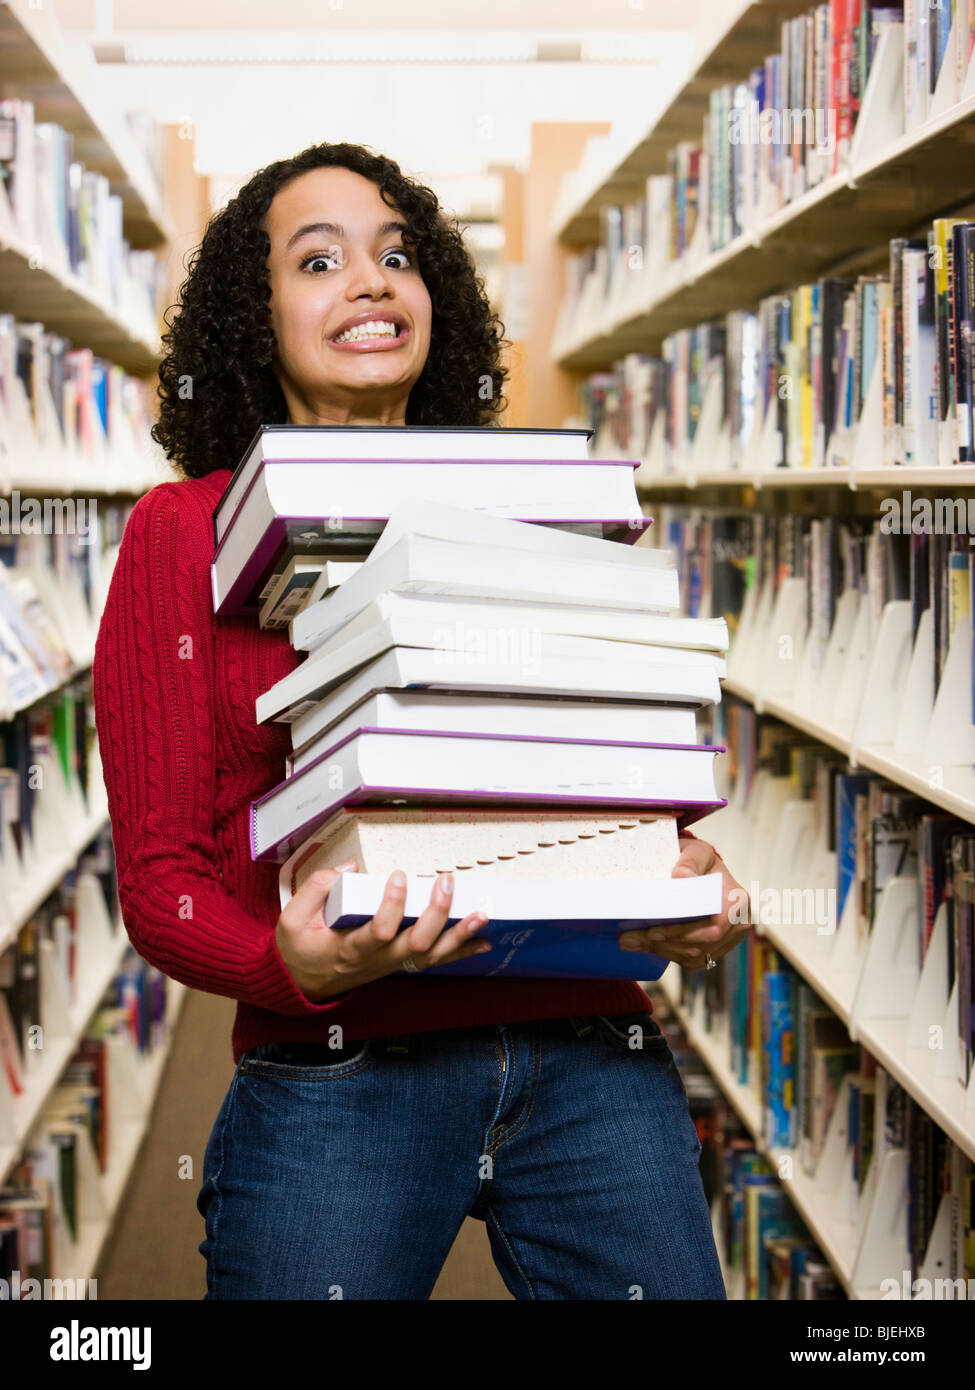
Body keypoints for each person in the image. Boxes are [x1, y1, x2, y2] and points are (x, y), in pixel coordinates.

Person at [92, 141, 751, 1301]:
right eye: (320, 258)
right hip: (341, 1059)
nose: (373, 281)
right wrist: (280, 963)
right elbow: (158, 876)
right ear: (258, 314)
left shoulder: (539, 510)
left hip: (589, 1042)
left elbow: (609, 765)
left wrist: (675, 868)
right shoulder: (180, 535)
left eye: (399, 254)